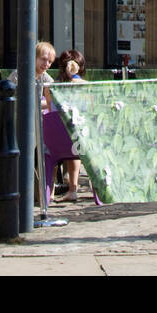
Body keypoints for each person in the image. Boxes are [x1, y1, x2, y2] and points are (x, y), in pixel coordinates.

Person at [55, 50, 87, 201]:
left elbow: (49, 108)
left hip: (56, 144)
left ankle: (48, 192)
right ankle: (73, 187)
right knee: (75, 141)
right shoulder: (86, 87)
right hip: (81, 142)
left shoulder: (54, 87)